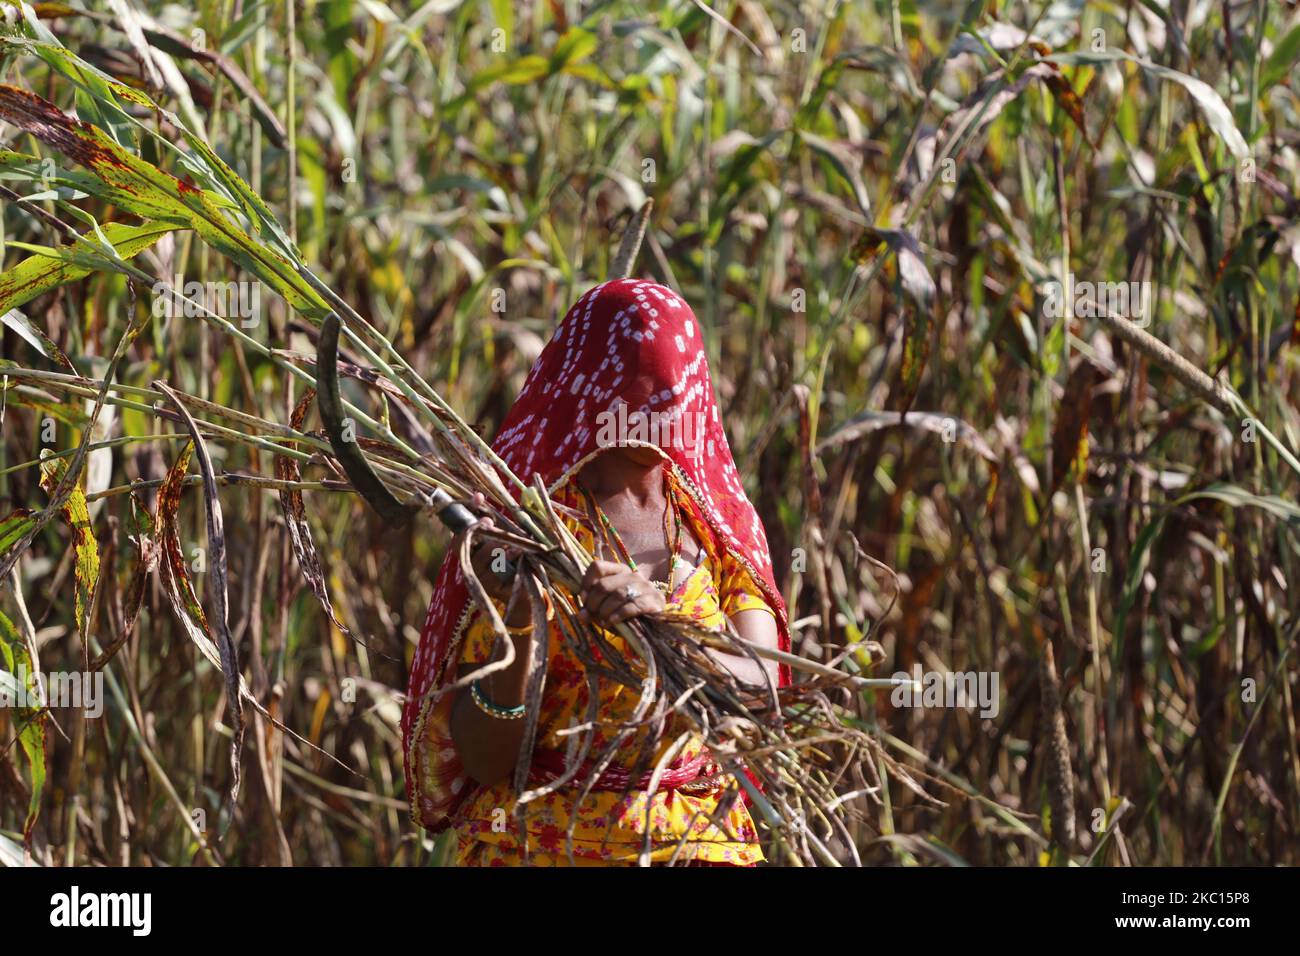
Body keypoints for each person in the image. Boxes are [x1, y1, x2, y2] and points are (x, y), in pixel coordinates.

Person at [400, 278, 790, 865]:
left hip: (696, 844)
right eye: (643, 401)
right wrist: (523, 620)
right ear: (591, 390)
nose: (663, 419)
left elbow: (762, 686)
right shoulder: (531, 531)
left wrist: (668, 631)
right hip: (536, 844)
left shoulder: (716, 529)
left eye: (675, 399)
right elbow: (484, 760)